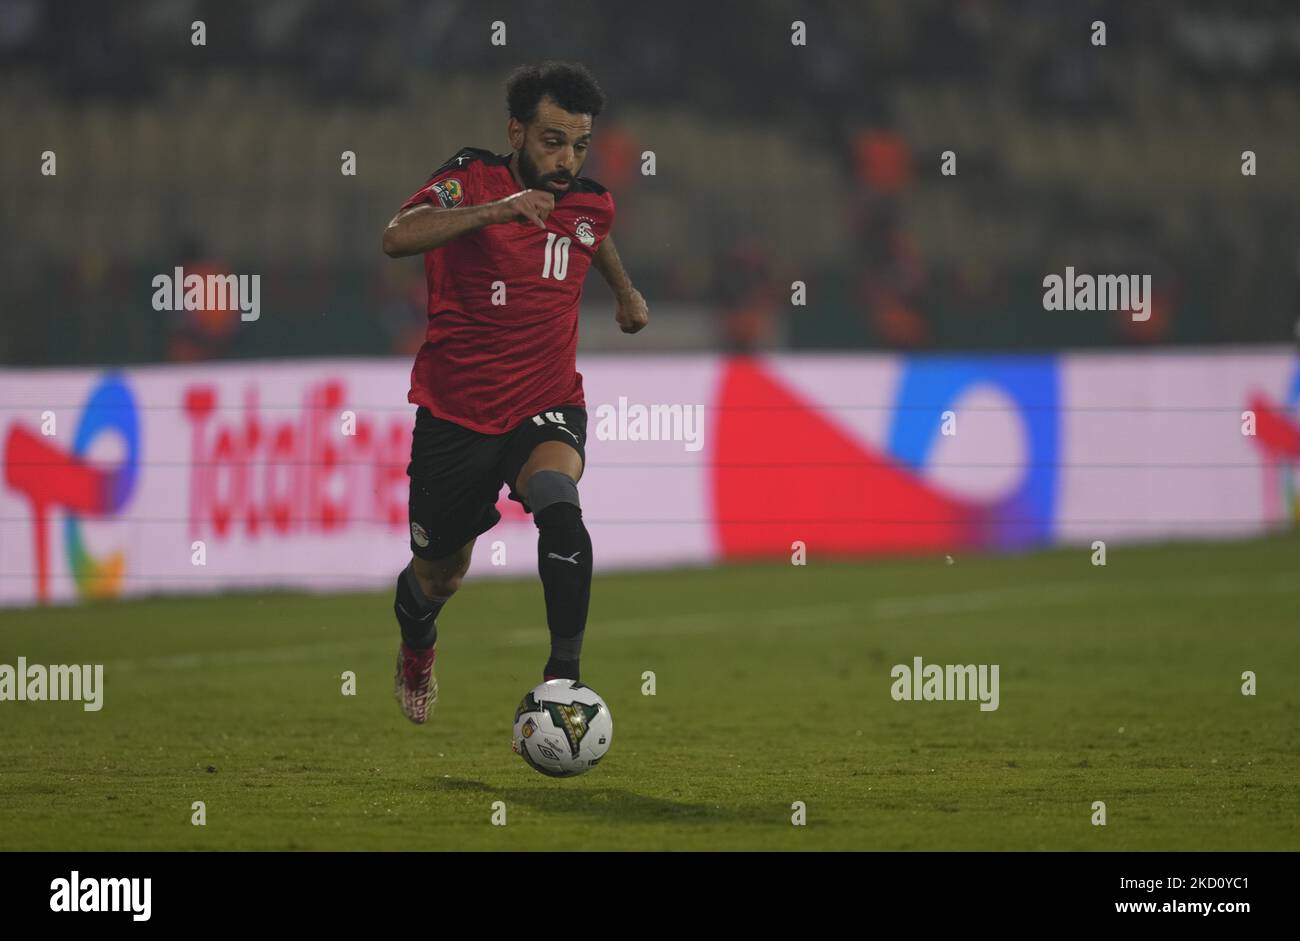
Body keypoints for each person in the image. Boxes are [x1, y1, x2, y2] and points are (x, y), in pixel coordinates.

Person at [381, 61, 649, 724]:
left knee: (559, 501)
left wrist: (624, 290)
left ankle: (565, 680)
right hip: (456, 413)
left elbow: (594, 233)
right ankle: (417, 643)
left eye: (580, 144)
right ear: (517, 131)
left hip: (546, 401)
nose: (567, 159)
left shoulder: (588, 200)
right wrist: (496, 211)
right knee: (439, 576)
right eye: (553, 141)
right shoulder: (470, 178)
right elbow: (396, 236)